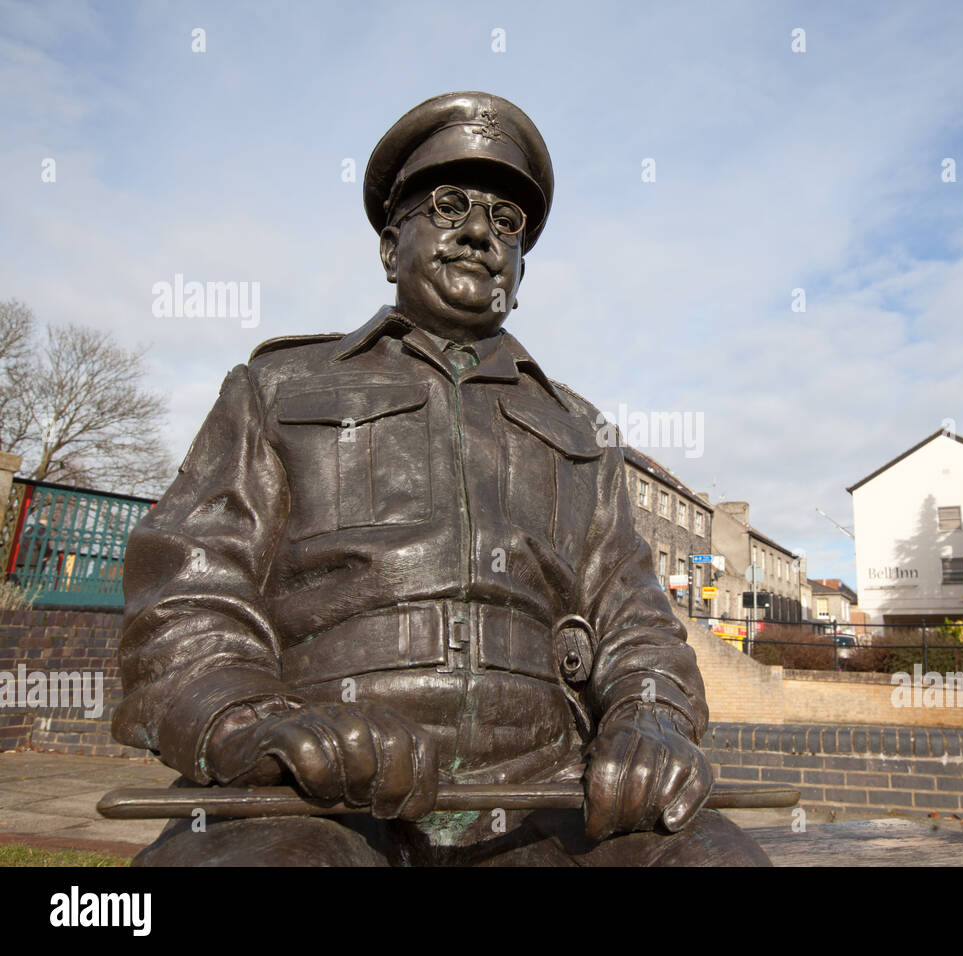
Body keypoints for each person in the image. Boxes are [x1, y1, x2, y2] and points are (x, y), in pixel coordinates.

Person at [113, 91, 770, 866]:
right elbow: (187, 597)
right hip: (315, 793)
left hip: (543, 797)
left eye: (507, 221)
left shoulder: (582, 432)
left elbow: (637, 622)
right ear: (392, 250)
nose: (478, 233)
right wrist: (253, 721)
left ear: (520, 272)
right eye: (449, 205)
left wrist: (651, 715)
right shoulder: (275, 391)